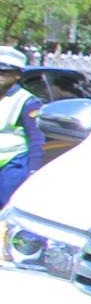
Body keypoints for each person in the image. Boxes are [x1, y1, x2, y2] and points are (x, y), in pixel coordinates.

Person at [0, 49, 44, 208]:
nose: (0, 74)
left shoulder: (27, 101)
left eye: (5, 71)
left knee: (6, 210)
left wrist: (33, 171)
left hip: (13, 165)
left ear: (17, 75)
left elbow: (37, 139)